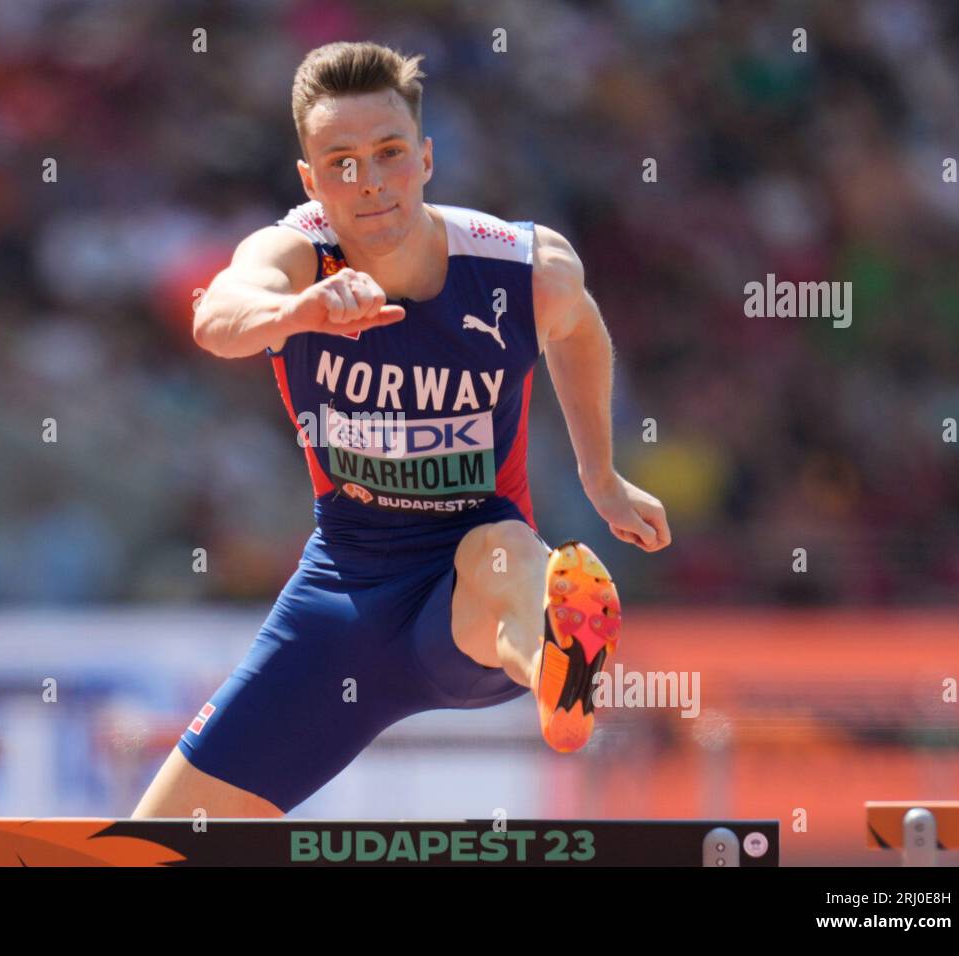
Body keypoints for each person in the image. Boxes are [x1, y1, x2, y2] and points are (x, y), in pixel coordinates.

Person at [134, 41, 670, 818]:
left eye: (388, 153)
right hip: (340, 599)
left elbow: (578, 330)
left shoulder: (521, 269)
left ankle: (556, 663)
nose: (370, 181)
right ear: (311, 181)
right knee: (162, 842)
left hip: (466, 596)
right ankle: (551, 647)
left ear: (425, 159)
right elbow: (218, 317)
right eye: (341, 162)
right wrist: (298, 313)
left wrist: (601, 477)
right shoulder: (294, 255)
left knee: (507, 549)